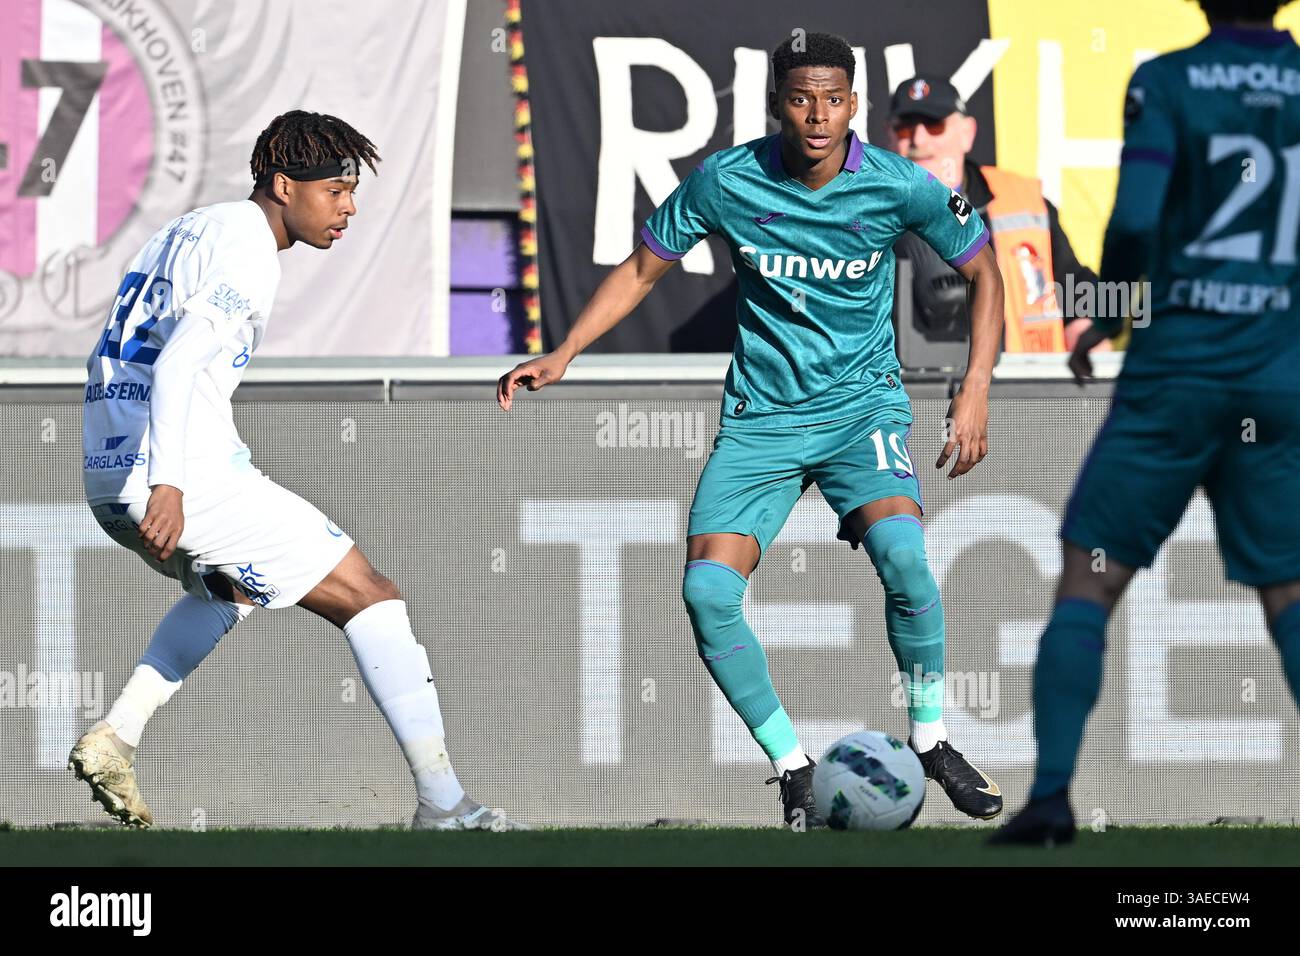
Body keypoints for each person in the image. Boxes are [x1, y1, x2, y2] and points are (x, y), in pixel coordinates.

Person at [498, 34, 1007, 826]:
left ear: (854, 105)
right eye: (802, 98)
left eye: (834, 99)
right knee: (706, 592)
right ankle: (794, 767)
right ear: (777, 103)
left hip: (859, 411)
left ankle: (933, 741)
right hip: (761, 422)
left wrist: (975, 387)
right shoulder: (728, 180)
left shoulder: (900, 185)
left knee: (905, 557)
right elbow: (641, 269)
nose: (818, 115)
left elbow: (984, 271)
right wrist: (565, 351)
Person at [71, 110, 524, 832]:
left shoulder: (188, 230)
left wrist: (140, 470)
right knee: (371, 596)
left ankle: (117, 736)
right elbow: (183, 358)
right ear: (284, 184)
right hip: (175, 474)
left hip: (107, 469)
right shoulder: (249, 249)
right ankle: (445, 805)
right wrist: (171, 482)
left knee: (234, 588)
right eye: (336, 189)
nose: (349, 206)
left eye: (353, 190)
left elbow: (122, 353)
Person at [993, 0, 1300, 846]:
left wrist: (1110, 316)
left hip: (1175, 378)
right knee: (1289, 589)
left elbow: (1132, 222)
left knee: (1090, 575)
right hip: (1277, 378)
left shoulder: (1169, 81)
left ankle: (1052, 797)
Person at [889, 74, 1109, 355]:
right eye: (905, 128)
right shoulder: (862, 213)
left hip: (1017, 391)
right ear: (890, 135)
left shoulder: (1025, 204)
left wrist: (1086, 333)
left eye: (935, 125)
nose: (918, 139)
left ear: (966, 134)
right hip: (906, 391)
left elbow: (1077, 290)